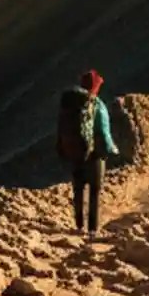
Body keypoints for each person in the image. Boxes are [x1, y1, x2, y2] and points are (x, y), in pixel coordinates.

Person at [56, 68, 119, 235]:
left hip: (76, 152)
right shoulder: (97, 105)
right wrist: (109, 149)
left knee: (78, 189)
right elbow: (104, 131)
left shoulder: (72, 104)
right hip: (95, 156)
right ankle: (92, 230)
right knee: (94, 192)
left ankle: (78, 225)